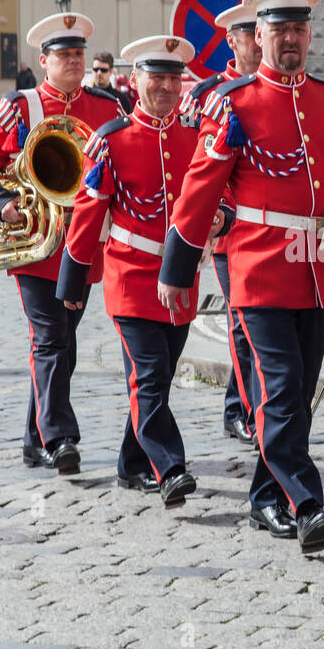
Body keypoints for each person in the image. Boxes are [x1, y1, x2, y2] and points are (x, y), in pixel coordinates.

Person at [157, 0, 324, 555]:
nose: (291, 40)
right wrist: (178, 271)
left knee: (296, 396)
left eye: (300, 29)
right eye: (279, 31)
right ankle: (306, 503)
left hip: (318, 270)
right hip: (257, 268)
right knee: (278, 391)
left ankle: (262, 496)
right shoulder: (233, 104)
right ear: (259, 36)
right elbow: (199, 191)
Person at [58, 34, 218, 506]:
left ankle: (130, 463)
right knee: (149, 375)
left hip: (182, 279)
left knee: (158, 375)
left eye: (174, 77)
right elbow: (89, 210)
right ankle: (170, 467)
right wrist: (72, 280)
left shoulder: (195, 138)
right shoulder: (110, 140)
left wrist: (223, 215)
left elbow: (220, 193)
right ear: (135, 81)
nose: (167, 86)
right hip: (129, 276)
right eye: (157, 77)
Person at [0, 12, 125, 475]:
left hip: (84, 243)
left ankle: (34, 439)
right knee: (50, 339)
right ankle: (60, 438)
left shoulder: (109, 107)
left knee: (65, 343)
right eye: (64, 55)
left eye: (79, 54)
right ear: (44, 61)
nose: (74, 62)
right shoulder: (22, 105)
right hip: (36, 243)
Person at [178, 0, 263, 447]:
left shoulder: (281, 89)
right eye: (250, 32)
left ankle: (243, 405)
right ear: (232, 39)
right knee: (242, 323)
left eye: (261, 29)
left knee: (257, 324)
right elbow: (193, 165)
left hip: (275, 230)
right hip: (231, 230)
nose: (259, 39)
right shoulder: (207, 94)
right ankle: (245, 410)